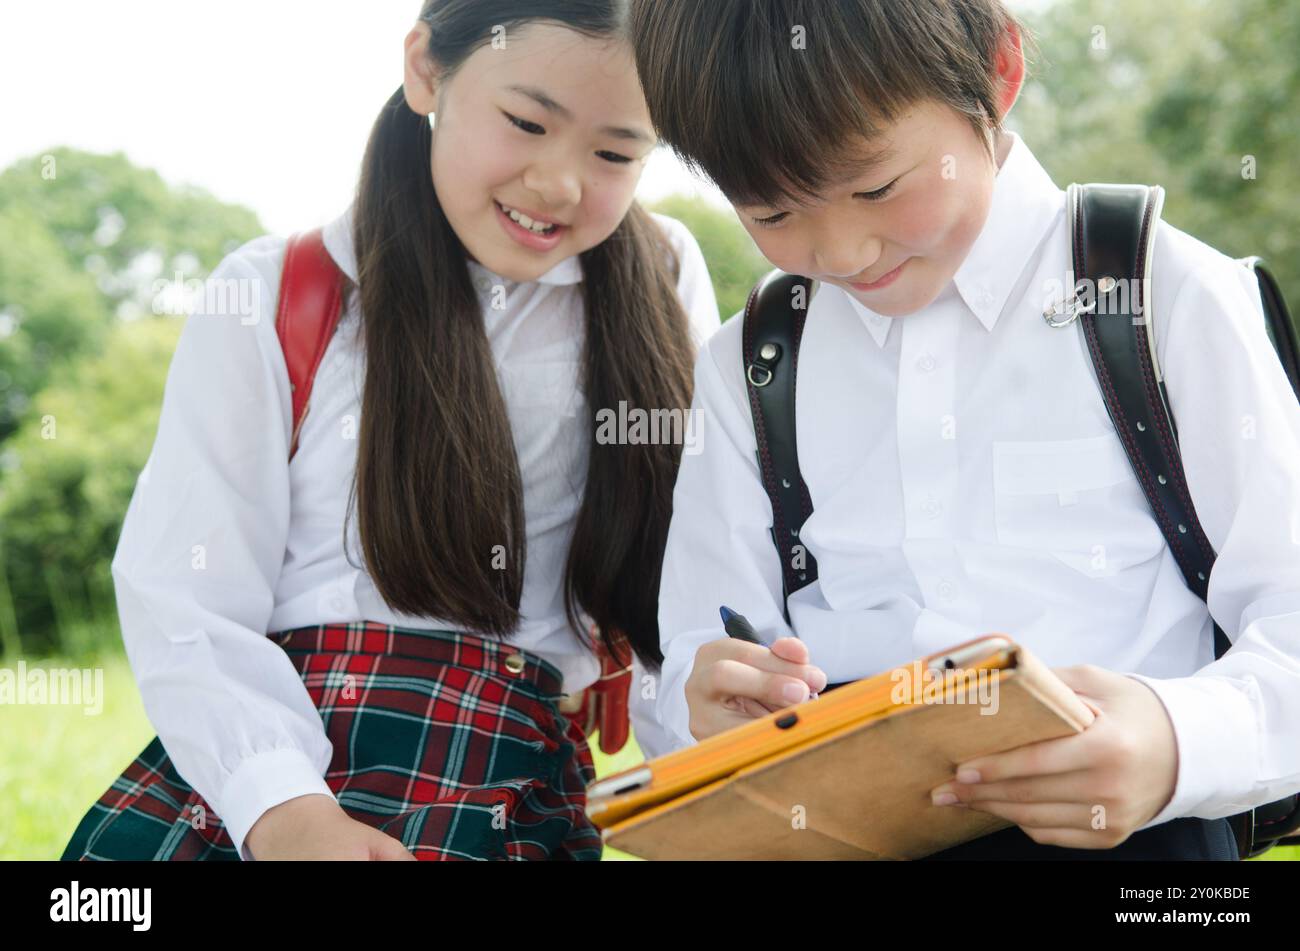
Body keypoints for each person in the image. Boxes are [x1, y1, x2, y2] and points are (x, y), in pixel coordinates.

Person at [630, 0, 1300, 859]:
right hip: (843, 824)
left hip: (1127, 839)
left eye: (876, 186)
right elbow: (691, 664)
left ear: (998, 72)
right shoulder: (753, 363)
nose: (839, 253)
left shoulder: (1159, 295)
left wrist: (1175, 741)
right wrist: (708, 699)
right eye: (771, 213)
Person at [62, 0, 719, 862]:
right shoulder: (279, 291)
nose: (560, 183)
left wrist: (718, 738)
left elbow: (686, 591)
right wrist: (288, 814)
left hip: (503, 786)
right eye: (526, 121)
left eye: (615, 153)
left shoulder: (663, 283)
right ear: (427, 69)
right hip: (268, 786)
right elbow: (185, 594)